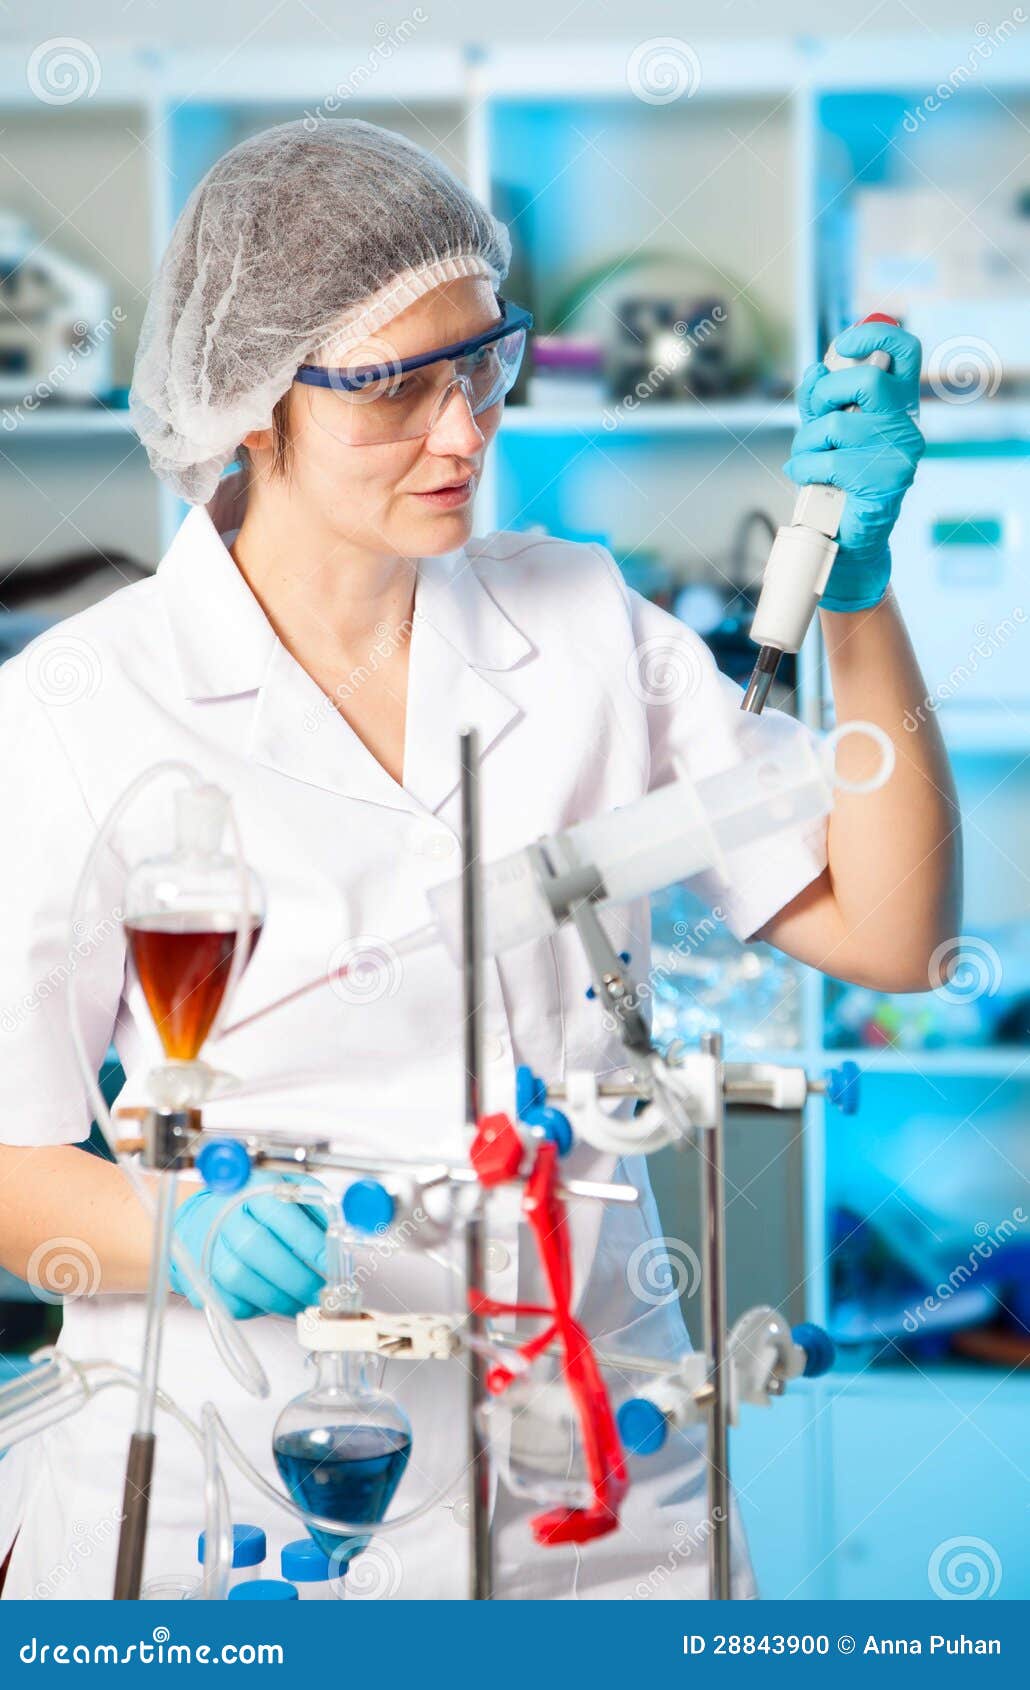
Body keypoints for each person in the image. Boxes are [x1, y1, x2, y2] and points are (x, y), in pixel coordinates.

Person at [0, 119, 959, 1600]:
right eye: (398, 388)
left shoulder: (578, 620)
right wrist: (167, 1224)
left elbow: (891, 934)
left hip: (587, 1473)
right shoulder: (78, 705)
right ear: (254, 402)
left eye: (485, 363)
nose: (464, 429)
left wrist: (858, 593)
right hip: (233, 1457)